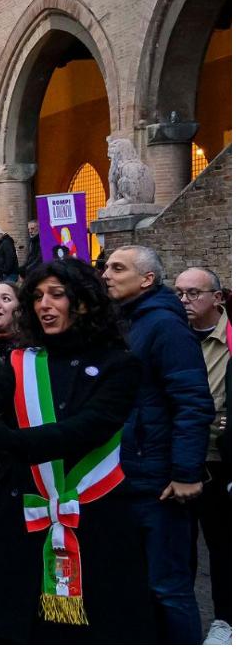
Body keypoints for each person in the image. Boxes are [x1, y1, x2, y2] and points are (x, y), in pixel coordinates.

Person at [0, 258, 154, 643]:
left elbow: (87, 429)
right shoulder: (20, 360)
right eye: (38, 296)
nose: (44, 304)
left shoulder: (119, 364)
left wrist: (12, 442)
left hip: (95, 515)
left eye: (57, 295)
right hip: (22, 513)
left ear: (83, 302)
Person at [101, 245, 214, 645]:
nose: (106, 274)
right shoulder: (129, 321)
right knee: (138, 585)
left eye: (117, 268)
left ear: (147, 279)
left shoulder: (164, 326)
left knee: (168, 587)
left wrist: (185, 472)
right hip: (131, 473)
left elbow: (192, 400)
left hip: (160, 480)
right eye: (106, 267)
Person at [174, 267, 231, 644]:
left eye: (193, 294)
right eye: (179, 293)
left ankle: (225, 619)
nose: (184, 301)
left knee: (223, 544)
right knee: (179, 546)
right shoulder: (172, 336)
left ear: (218, 298)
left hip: (219, 462)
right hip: (177, 458)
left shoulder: (230, 340)